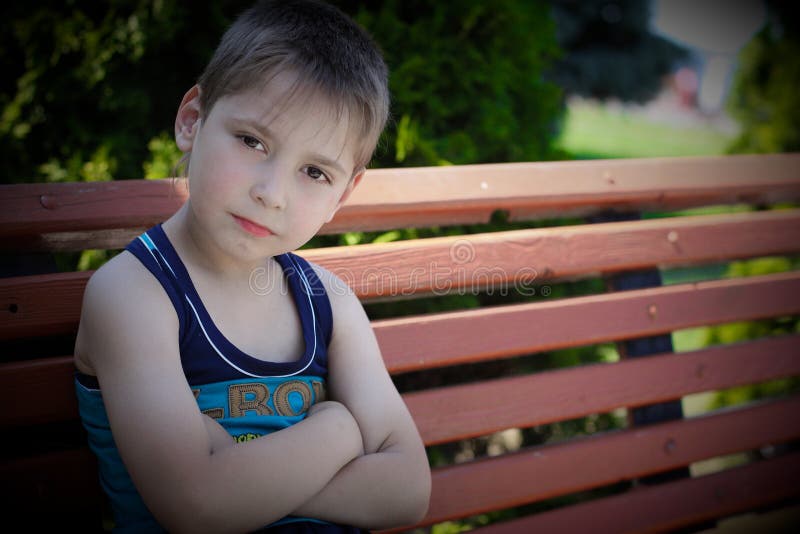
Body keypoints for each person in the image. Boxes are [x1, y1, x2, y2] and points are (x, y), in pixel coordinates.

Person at [72, 1, 431, 532]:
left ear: (343, 194)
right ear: (193, 120)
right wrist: (336, 431)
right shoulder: (134, 296)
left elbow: (407, 491)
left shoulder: (328, 304)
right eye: (252, 141)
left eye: (314, 171)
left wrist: (242, 478)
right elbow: (197, 504)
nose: (271, 193)